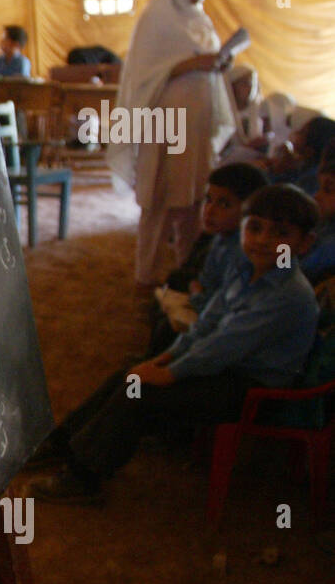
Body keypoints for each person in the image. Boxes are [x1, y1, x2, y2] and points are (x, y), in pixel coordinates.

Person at [28, 184, 321, 504]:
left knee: (139, 390)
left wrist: (170, 373)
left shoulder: (289, 295)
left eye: (280, 233)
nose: (264, 240)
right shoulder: (244, 268)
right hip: (227, 367)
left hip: (256, 389)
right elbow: (208, 323)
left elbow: (225, 345)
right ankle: (62, 443)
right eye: (255, 228)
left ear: (304, 243)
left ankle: (83, 477)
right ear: (242, 229)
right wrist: (166, 357)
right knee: (131, 371)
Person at [108, 0, 238, 288]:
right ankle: (146, 275)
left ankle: (185, 272)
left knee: (194, 201)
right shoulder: (157, 18)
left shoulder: (200, 19)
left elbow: (205, 62)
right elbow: (142, 77)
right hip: (165, 126)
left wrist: (220, 62)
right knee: (160, 200)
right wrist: (194, 64)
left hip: (195, 126)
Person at [151, 162, 266, 352]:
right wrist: (197, 288)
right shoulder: (220, 238)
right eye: (208, 200)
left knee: (168, 330)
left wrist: (197, 294)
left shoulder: (243, 252)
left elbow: (222, 306)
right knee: (166, 300)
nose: (210, 210)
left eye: (225, 204)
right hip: (207, 301)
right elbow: (207, 278)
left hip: (221, 320)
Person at [266, 113, 333, 194]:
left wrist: (278, 169)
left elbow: (271, 194)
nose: (296, 133)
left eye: (302, 132)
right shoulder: (303, 167)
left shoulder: (309, 181)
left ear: (309, 151)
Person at [215, 65, 268, 166]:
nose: (249, 88)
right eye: (244, 84)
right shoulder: (220, 113)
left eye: (252, 84)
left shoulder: (257, 115)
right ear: (232, 86)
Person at [300, 158, 335, 284]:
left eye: (328, 190)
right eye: (319, 188)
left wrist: (283, 246)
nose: (316, 196)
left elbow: (284, 273)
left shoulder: (330, 246)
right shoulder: (325, 224)